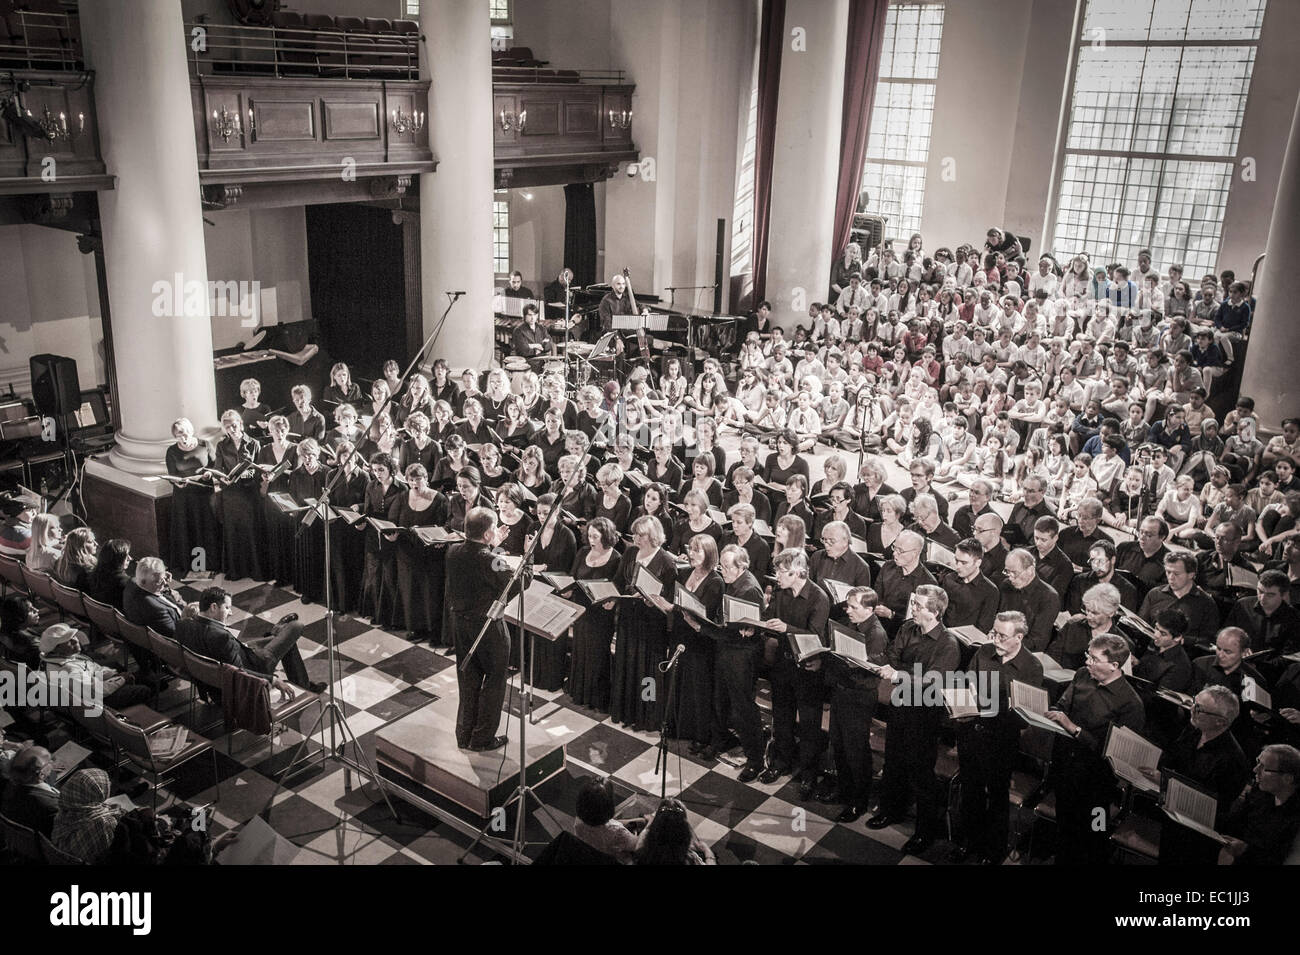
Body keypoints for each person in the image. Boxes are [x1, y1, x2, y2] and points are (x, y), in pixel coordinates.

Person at [868, 585, 960, 856]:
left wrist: (901, 675)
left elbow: (933, 683)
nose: (913, 609)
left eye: (919, 606)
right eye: (914, 604)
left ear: (935, 611)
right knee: (894, 761)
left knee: (921, 772)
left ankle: (925, 832)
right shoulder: (908, 628)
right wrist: (901, 672)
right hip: (900, 705)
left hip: (924, 714)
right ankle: (890, 811)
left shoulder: (948, 644)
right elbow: (893, 657)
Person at [951, 611, 1043, 865]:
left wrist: (987, 708)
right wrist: (962, 705)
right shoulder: (984, 652)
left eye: (1002, 635)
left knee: (997, 797)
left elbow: (1024, 716)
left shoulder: (1031, 667)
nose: (996, 639)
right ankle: (969, 842)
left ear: (1019, 637)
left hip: (1000, 741)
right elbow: (967, 683)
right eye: (994, 632)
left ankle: (993, 851)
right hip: (971, 733)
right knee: (970, 791)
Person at [1044, 633, 1145, 864]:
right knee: (1064, 823)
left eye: (1094, 659)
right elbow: (1062, 705)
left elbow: (1118, 753)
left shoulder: (1131, 704)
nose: (1087, 662)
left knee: (1094, 831)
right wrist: (1052, 712)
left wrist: (1075, 729)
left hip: (1097, 784)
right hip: (1066, 767)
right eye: (1088, 656)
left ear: (1114, 665)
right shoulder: (1082, 675)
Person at [445, 507, 523, 751]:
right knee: (494, 681)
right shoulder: (491, 559)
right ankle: (482, 738)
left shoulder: (453, 551)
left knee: (468, 678)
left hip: (460, 623)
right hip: (487, 627)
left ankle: (463, 733)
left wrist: (493, 546)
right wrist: (503, 553)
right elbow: (518, 581)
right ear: (488, 534)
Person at [761, 548, 832, 794]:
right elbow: (769, 617)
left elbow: (816, 635)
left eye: (781, 572)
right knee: (781, 717)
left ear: (798, 572)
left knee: (810, 725)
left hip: (807, 669)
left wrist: (785, 628)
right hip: (782, 664)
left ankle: (809, 774)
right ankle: (782, 761)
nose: (777, 577)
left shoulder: (819, 597)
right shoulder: (781, 593)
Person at [1155, 686, 1251, 865]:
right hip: (1173, 815)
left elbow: (1214, 807)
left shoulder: (1233, 761)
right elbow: (1170, 759)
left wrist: (1167, 782)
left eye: (1200, 709)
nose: (1192, 710)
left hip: (1195, 835)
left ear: (1220, 722)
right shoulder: (1194, 730)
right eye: (1194, 703)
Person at [174, 587, 320, 693]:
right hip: (258, 664)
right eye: (227, 608)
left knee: (286, 643)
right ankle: (277, 632)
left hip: (232, 659)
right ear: (213, 607)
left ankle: (302, 683)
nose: (230, 613)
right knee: (296, 626)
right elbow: (241, 673)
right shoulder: (221, 637)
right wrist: (273, 680)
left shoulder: (183, 624)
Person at [610, 515, 678, 731]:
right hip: (629, 618)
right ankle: (626, 711)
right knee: (627, 666)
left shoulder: (666, 562)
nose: (636, 538)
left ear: (653, 536)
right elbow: (619, 580)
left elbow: (670, 598)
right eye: (635, 534)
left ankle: (646, 715)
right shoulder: (631, 552)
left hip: (651, 625)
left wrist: (653, 600)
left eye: (641, 535)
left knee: (646, 673)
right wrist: (611, 597)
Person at [827, 586, 889, 822]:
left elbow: (869, 672)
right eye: (848, 605)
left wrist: (848, 662)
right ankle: (844, 791)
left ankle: (859, 802)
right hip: (842, 692)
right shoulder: (850, 623)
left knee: (856, 751)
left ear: (869, 609)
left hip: (858, 697)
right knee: (839, 744)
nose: (848, 610)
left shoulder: (876, 634)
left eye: (853, 606)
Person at [710, 545, 766, 781]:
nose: (722, 570)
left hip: (742, 656)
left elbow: (747, 626)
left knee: (743, 708)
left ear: (741, 566)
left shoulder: (749, 588)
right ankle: (721, 741)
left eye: (726, 567)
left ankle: (755, 760)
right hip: (729, 650)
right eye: (721, 565)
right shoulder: (735, 582)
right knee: (722, 699)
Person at [567, 518, 621, 713]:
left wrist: (613, 600)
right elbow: (573, 576)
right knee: (581, 650)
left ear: (606, 536)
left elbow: (617, 587)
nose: (591, 540)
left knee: (597, 654)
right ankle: (580, 693)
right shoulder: (582, 552)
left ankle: (597, 698)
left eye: (596, 537)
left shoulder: (616, 558)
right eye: (589, 535)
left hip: (601, 614)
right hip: (582, 610)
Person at [38, 623, 153, 709]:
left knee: (116, 667)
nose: (75, 641)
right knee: (144, 690)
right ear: (56, 649)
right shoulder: (68, 669)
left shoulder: (57, 658)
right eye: (68, 641)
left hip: (89, 688)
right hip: (93, 703)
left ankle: (146, 682)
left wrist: (114, 674)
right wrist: (121, 679)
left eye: (73, 637)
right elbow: (97, 691)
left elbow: (92, 668)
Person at [1220, 744, 1300, 865]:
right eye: (1258, 762)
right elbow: (1233, 822)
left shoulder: (1295, 817)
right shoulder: (1260, 792)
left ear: (1287, 778)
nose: (1255, 770)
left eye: (1264, 768)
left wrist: (1245, 851)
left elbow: (1281, 858)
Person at [1138, 552, 1221, 650]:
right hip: (1152, 652)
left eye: (1176, 573)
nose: (1170, 578)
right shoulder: (1154, 594)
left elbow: (1208, 640)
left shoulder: (1206, 603)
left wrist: (1182, 640)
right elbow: (1141, 625)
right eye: (1168, 572)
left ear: (1191, 575)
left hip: (1185, 657)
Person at [49, 768, 124, 865]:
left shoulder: (68, 805)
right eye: (107, 782)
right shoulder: (103, 822)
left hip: (59, 856)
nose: (109, 783)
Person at [997, 548, 1061, 652]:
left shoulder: (1049, 597)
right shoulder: (1006, 585)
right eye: (1007, 572)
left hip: (1025, 653)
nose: (1010, 578)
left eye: (1014, 573)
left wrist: (1006, 644)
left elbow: (1037, 641)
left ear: (1030, 570)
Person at [571, 777, 639, 863]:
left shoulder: (579, 821)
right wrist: (649, 824)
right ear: (608, 806)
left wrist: (637, 820)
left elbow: (609, 825)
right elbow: (638, 845)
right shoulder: (617, 832)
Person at [940, 537, 1000, 632]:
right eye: (956, 561)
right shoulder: (949, 579)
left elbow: (983, 628)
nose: (958, 566)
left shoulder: (990, 591)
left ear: (978, 563)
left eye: (964, 563)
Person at [634, 798, 716, 865]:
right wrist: (707, 851)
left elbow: (645, 834)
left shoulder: (642, 853)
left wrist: (652, 821)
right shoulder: (689, 860)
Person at [1, 745, 59, 835]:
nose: (52, 763)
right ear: (41, 774)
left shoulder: (9, 788)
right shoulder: (51, 805)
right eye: (49, 762)